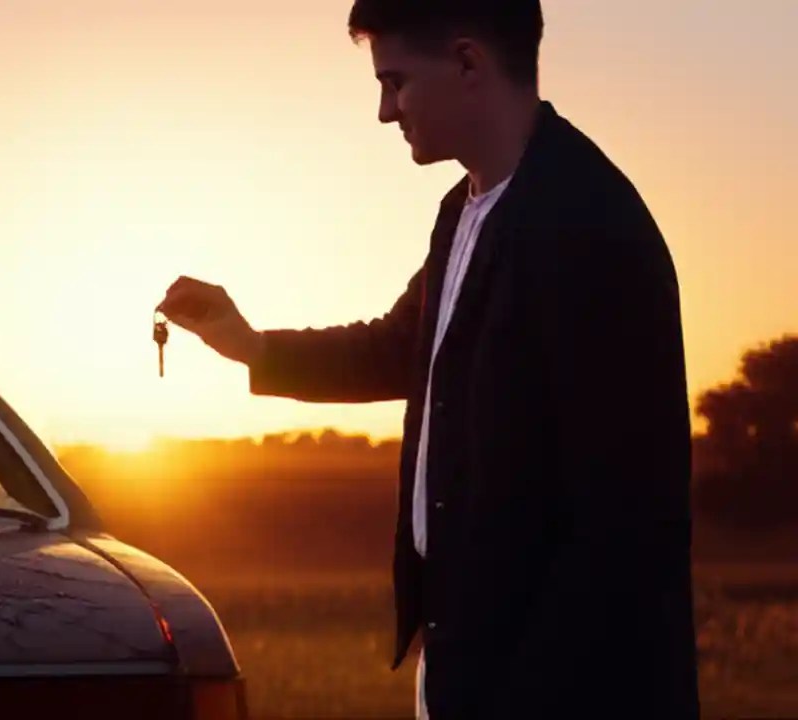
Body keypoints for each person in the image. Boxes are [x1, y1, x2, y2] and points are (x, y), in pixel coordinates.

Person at [156, 1, 700, 718]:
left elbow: (621, 521)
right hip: (466, 658)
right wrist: (252, 346)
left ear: (469, 62)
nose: (385, 110)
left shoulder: (588, 225)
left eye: (397, 81)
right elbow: (403, 345)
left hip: (556, 684)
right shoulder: (466, 208)